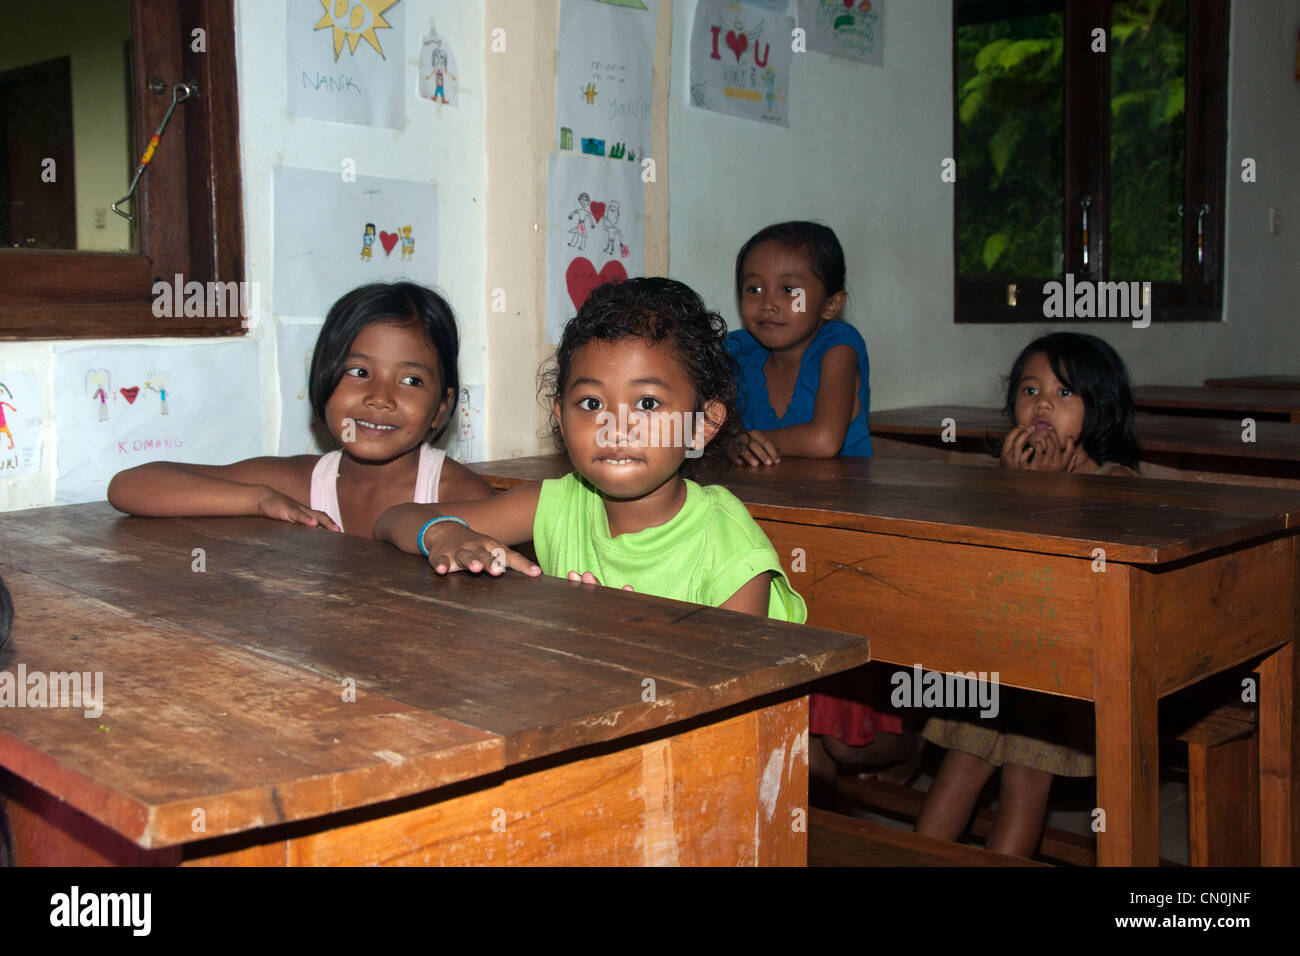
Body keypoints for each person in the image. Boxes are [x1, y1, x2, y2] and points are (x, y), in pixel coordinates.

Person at [374, 277, 805, 623]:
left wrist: (640, 644)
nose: (615, 428)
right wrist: (444, 532)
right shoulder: (559, 504)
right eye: (592, 404)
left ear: (702, 425)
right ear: (561, 420)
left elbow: (741, 690)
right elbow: (392, 519)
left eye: (648, 404)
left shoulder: (728, 544)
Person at [916, 332, 1140, 858]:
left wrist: (1045, 494)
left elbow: (1086, 572)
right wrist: (1014, 490)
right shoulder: (1005, 473)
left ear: (1101, 407)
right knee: (960, 766)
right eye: (1030, 389)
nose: (1042, 403)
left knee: (1026, 780)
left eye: (1065, 394)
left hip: (1061, 666)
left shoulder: (1118, 483)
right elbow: (985, 558)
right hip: (996, 649)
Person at [108, 282, 491, 536]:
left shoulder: (462, 495)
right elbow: (129, 486)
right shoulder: (297, 483)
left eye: (411, 381)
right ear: (323, 381)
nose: (380, 397)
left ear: (441, 408)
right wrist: (258, 500)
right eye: (358, 372)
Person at [726, 221, 873, 466]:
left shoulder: (838, 347)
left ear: (831, 304)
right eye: (754, 288)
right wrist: (726, 443)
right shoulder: (738, 351)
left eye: (788, 289)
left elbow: (824, 440)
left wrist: (739, 442)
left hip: (840, 500)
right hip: (763, 500)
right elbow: (701, 429)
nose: (768, 303)